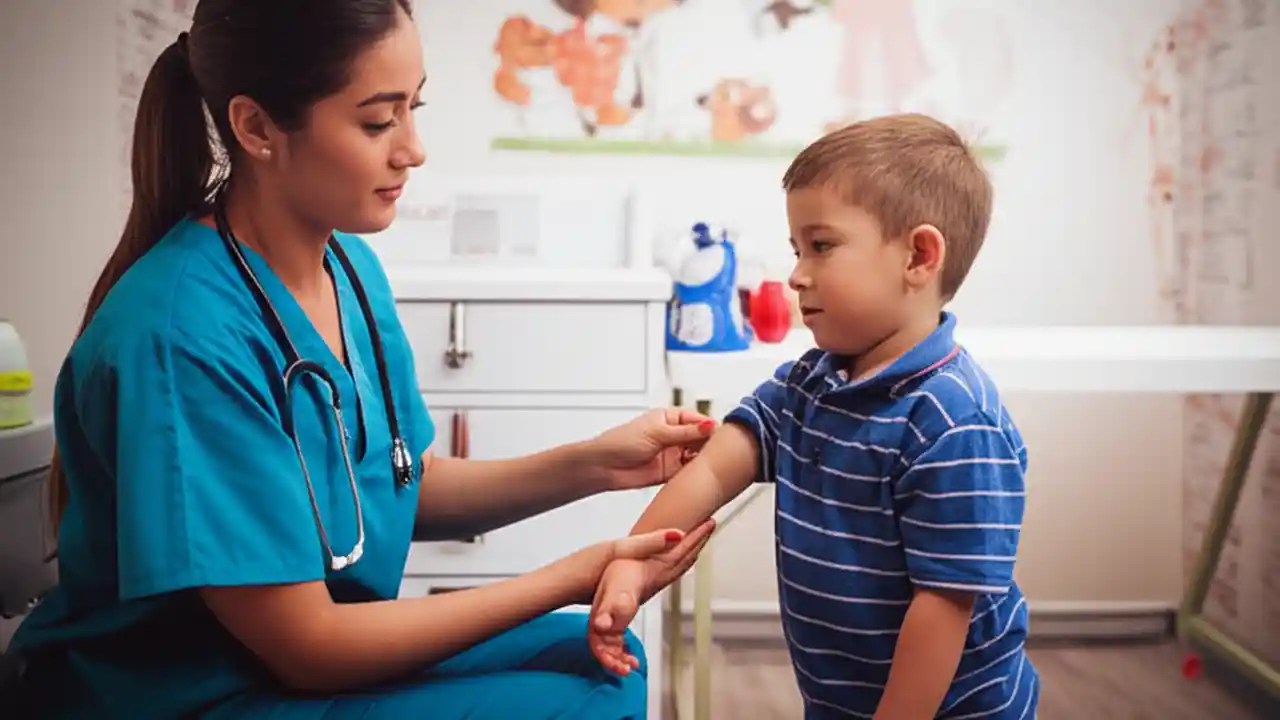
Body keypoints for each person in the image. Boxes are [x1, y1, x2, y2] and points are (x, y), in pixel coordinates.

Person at [8, 2, 717, 718]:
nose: (413, 148)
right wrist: (573, 573)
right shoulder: (181, 337)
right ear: (256, 128)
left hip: (289, 666)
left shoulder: (349, 270)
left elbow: (402, 483)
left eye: (415, 107)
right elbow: (309, 648)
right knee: (582, 702)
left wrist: (596, 464)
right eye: (379, 121)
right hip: (188, 694)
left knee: (605, 665)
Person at [587, 114, 1040, 719]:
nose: (797, 273)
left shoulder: (955, 423)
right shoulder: (812, 380)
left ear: (918, 256)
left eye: (821, 246)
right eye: (797, 249)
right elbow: (717, 468)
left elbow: (943, 609)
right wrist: (632, 566)